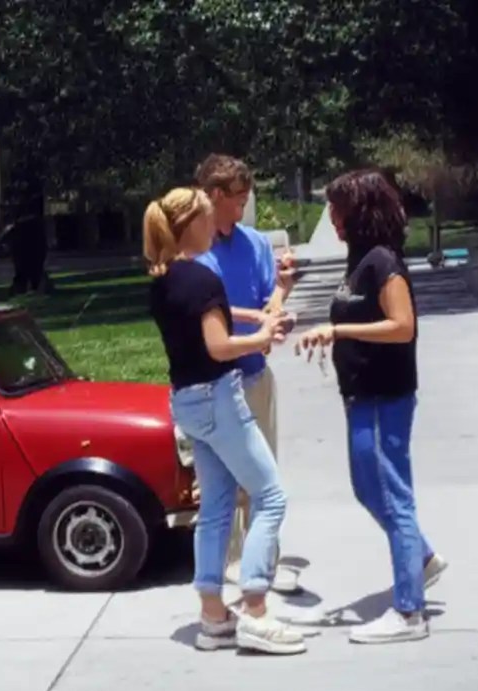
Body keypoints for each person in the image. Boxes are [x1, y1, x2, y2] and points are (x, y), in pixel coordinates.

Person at [145, 187, 308, 655]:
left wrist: (255, 318)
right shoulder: (202, 280)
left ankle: (213, 615)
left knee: (215, 506)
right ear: (191, 224)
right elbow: (218, 346)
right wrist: (261, 336)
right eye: (207, 213)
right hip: (218, 399)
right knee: (270, 495)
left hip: (187, 403)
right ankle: (255, 607)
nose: (214, 218)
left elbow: (198, 332)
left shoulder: (163, 280)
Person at [296, 169, 448, 645]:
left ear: (358, 214)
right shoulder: (359, 260)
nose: (333, 221)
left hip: (386, 395)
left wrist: (337, 332)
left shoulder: (384, 263)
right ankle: (420, 560)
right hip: (361, 394)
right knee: (368, 488)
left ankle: (408, 613)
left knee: (393, 493)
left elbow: (402, 326)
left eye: (337, 212)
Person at [192, 154, 299, 590]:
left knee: (264, 478)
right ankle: (232, 566)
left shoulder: (254, 244)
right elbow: (203, 307)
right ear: (215, 196)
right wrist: (259, 320)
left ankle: (263, 563)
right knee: (224, 486)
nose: (243, 207)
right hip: (215, 383)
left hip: (256, 375)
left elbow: (265, 303)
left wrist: (280, 297)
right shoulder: (194, 249)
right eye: (237, 199)